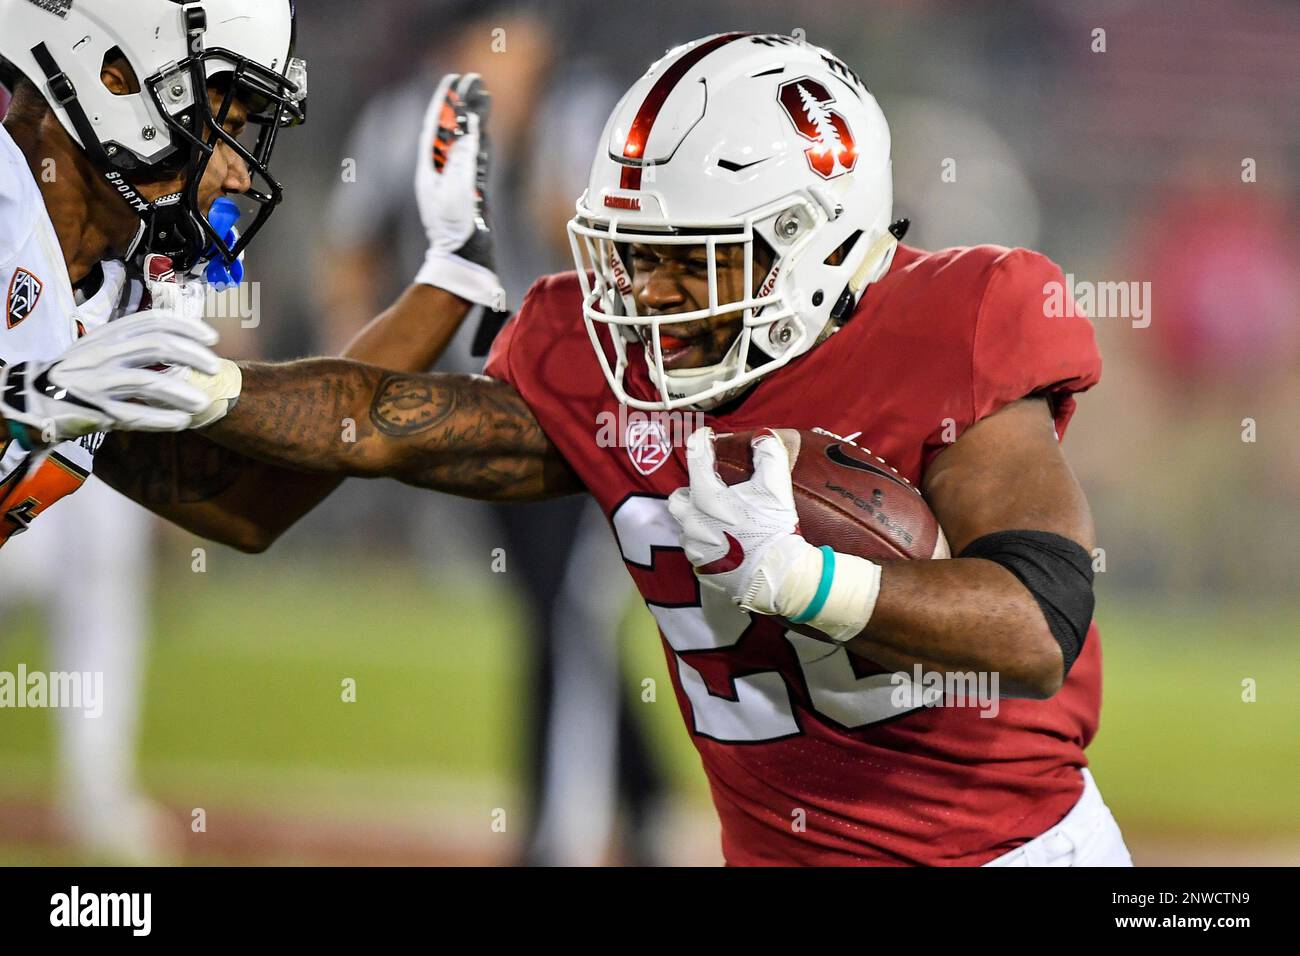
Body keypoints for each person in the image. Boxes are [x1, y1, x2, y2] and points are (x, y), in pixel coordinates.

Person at [129, 33, 1131, 866]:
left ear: (809, 240)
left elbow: (1037, 622)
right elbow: (381, 421)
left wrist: (800, 578)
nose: (645, 294)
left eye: (689, 260)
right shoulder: (601, 362)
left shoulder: (955, 321)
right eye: (634, 254)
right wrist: (200, 384)